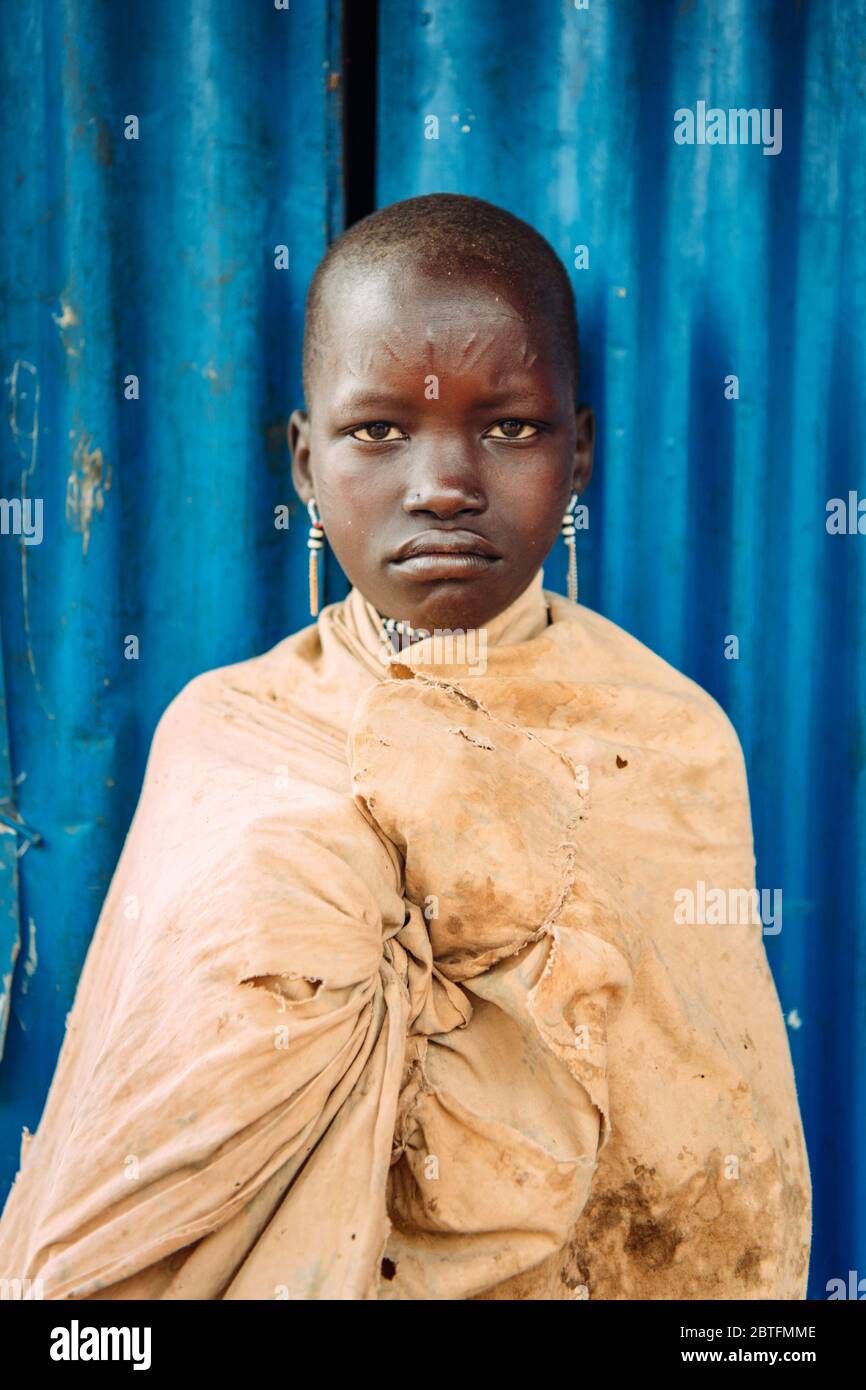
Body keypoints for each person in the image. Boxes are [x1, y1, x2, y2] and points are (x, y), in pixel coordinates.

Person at [0, 194, 810, 1300]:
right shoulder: (229, 732)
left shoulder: (663, 739)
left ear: (579, 454)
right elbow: (136, 1158)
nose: (442, 485)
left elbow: (721, 1160)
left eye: (510, 427)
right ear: (301, 460)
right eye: (378, 431)